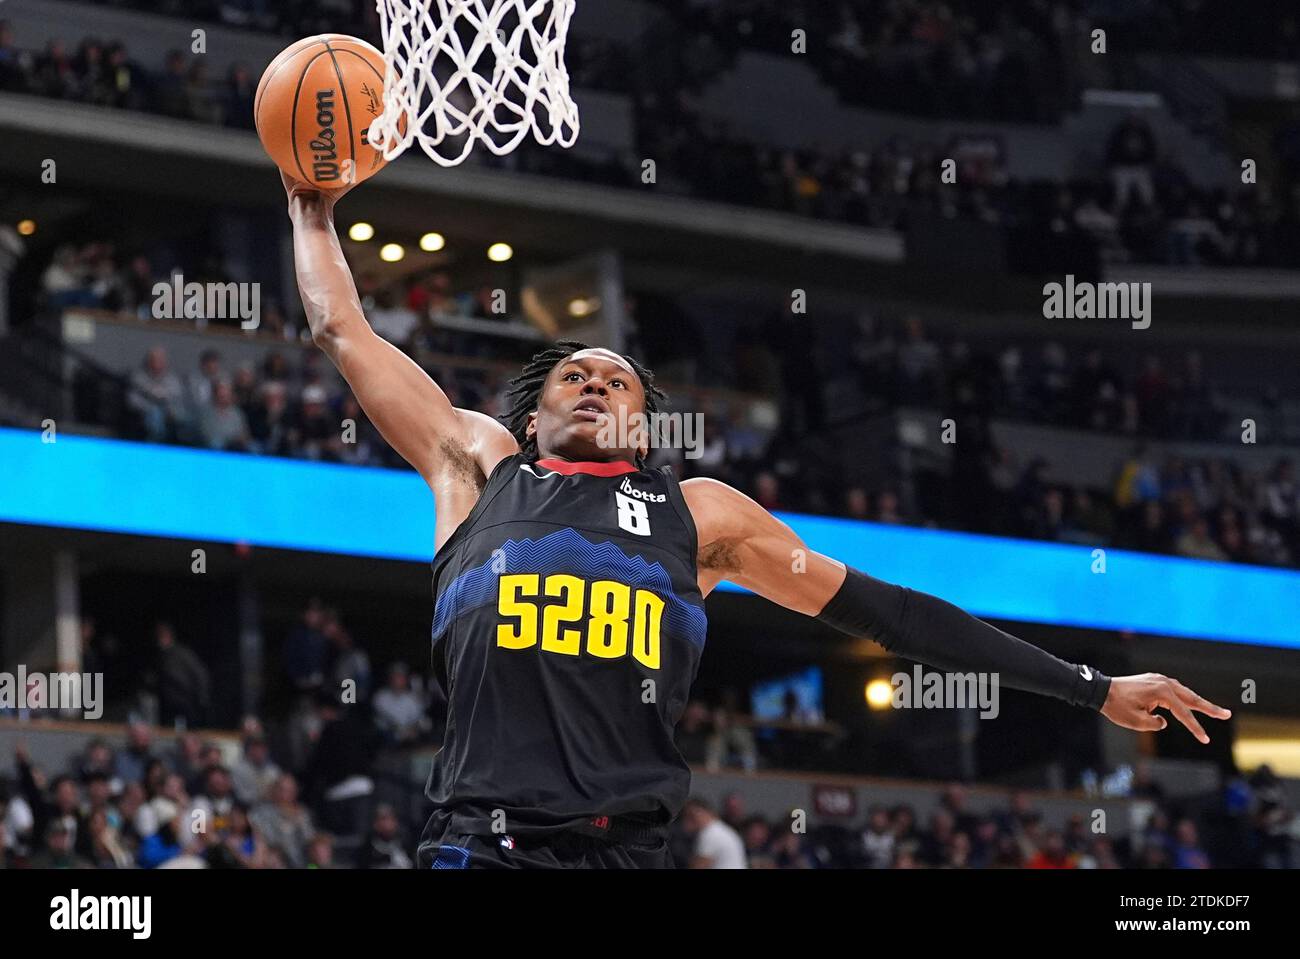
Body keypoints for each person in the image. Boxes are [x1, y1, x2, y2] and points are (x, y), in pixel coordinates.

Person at [281, 171, 1232, 870]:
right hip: (477, 846)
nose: (596, 381)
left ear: (645, 426)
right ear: (533, 417)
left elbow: (893, 614)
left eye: (618, 379)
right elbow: (343, 330)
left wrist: (1091, 685)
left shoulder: (699, 515)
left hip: (629, 851)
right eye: (575, 372)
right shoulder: (476, 467)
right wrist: (312, 210)